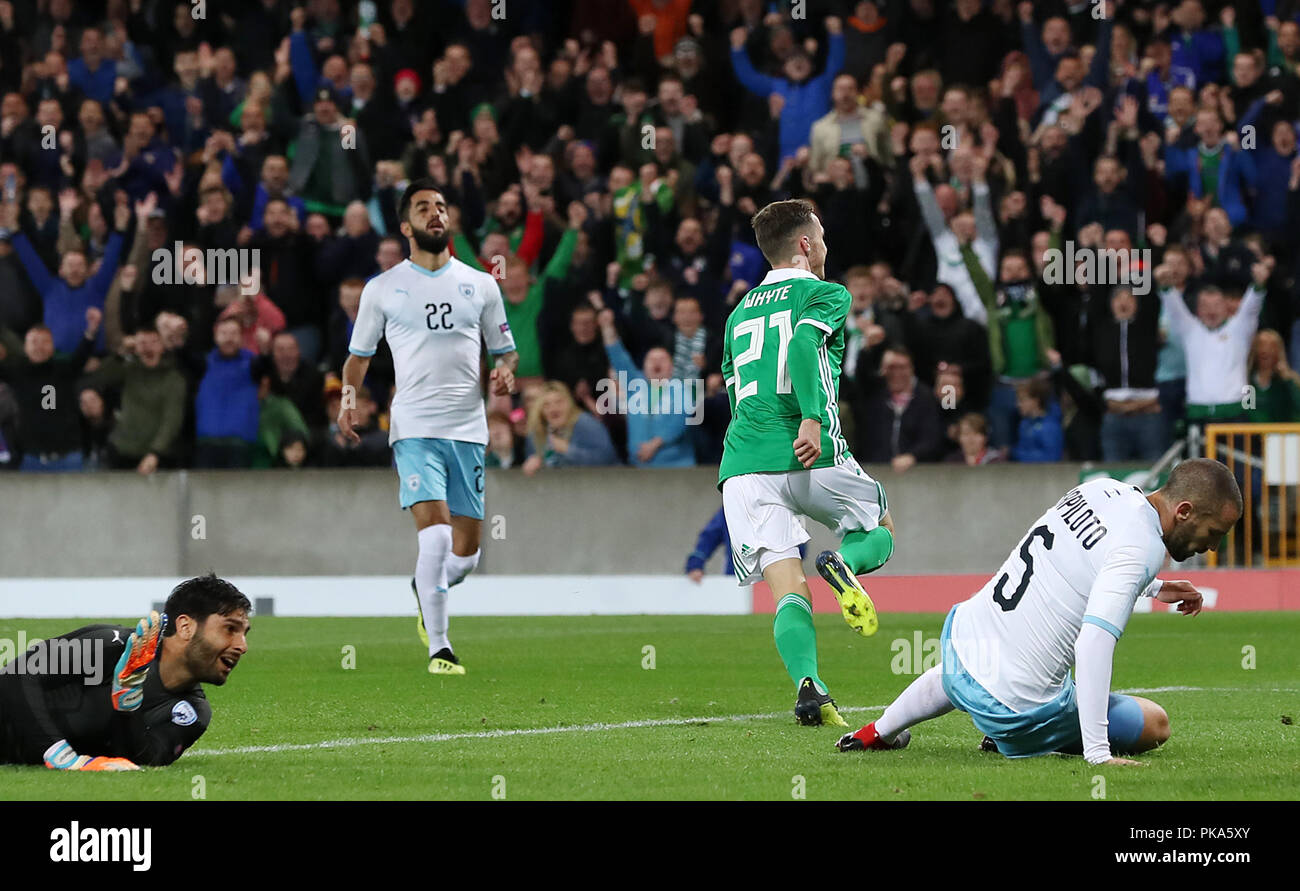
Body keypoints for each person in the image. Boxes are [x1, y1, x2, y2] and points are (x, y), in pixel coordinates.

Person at [837, 458, 1241, 763]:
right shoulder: (1145, 547)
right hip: (1017, 713)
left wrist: (1152, 587)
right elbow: (1093, 644)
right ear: (1184, 511)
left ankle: (877, 731)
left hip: (962, 643)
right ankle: (1010, 739)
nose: (1212, 547)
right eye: (1214, 533)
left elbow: (1077, 561)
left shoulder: (1102, 491)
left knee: (988, 653)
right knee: (1156, 722)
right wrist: (1099, 752)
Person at [718, 198, 896, 728]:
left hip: (745, 467)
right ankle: (847, 565)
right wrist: (813, 418)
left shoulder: (737, 314)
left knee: (786, 588)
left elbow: (733, 389)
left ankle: (810, 687)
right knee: (879, 526)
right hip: (809, 451)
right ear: (803, 245)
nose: (825, 245)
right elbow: (800, 344)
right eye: (820, 236)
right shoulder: (826, 293)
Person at [341, 179, 517, 676]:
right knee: (435, 539)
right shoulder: (383, 289)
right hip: (414, 427)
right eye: (423, 208)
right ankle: (440, 648)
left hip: (469, 430)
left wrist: (505, 370)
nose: (435, 213)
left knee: (465, 557)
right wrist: (347, 402)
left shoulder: (481, 284)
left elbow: (504, 349)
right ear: (405, 226)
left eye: (440, 206)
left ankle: (427, 587)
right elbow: (357, 360)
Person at [0, 574, 250, 769]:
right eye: (230, 629)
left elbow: (146, 759)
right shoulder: (112, 645)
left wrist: (128, 706)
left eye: (244, 634)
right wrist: (61, 756)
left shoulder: (194, 712)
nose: (242, 646)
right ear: (185, 627)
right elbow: (16, 674)